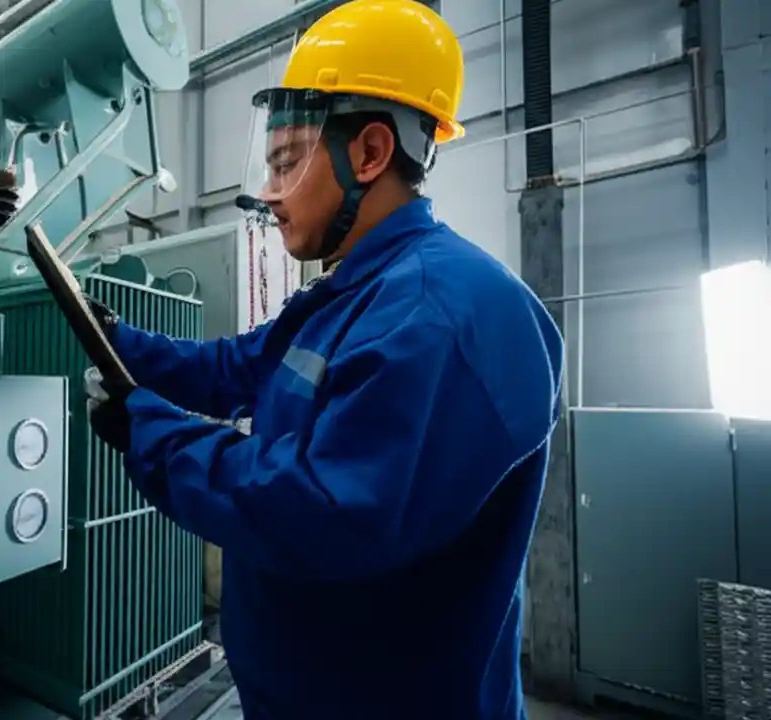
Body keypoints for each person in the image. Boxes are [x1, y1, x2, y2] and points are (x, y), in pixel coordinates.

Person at [83, 1, 565, 718]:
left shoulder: (445, 315)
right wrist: (124, 343)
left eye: (285, 163)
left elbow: (317, 512)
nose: (268, 194)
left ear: (369, 154)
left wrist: (149, 433)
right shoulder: (355, 290)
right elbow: (239, 368)